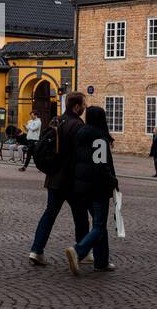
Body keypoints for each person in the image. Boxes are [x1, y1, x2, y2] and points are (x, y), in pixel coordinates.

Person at [29, 93, 90, 266]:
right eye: (83, 104)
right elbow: (80, 154)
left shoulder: (56, 121)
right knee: (81, 216)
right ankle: (83, 250)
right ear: (76, 107)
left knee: (49, 214)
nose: (84, 107)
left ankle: (36, 250)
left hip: (54, 178)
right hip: (71, 180)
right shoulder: (77, 125)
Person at [64, 104, 118, 274]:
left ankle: (101, 262)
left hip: (81, 186)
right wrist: (112, 180)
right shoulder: (99, 137)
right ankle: (78, 250)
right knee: (100, 225)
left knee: (99, 225)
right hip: (98, 186)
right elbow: (100, 164)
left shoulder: (80, 134)